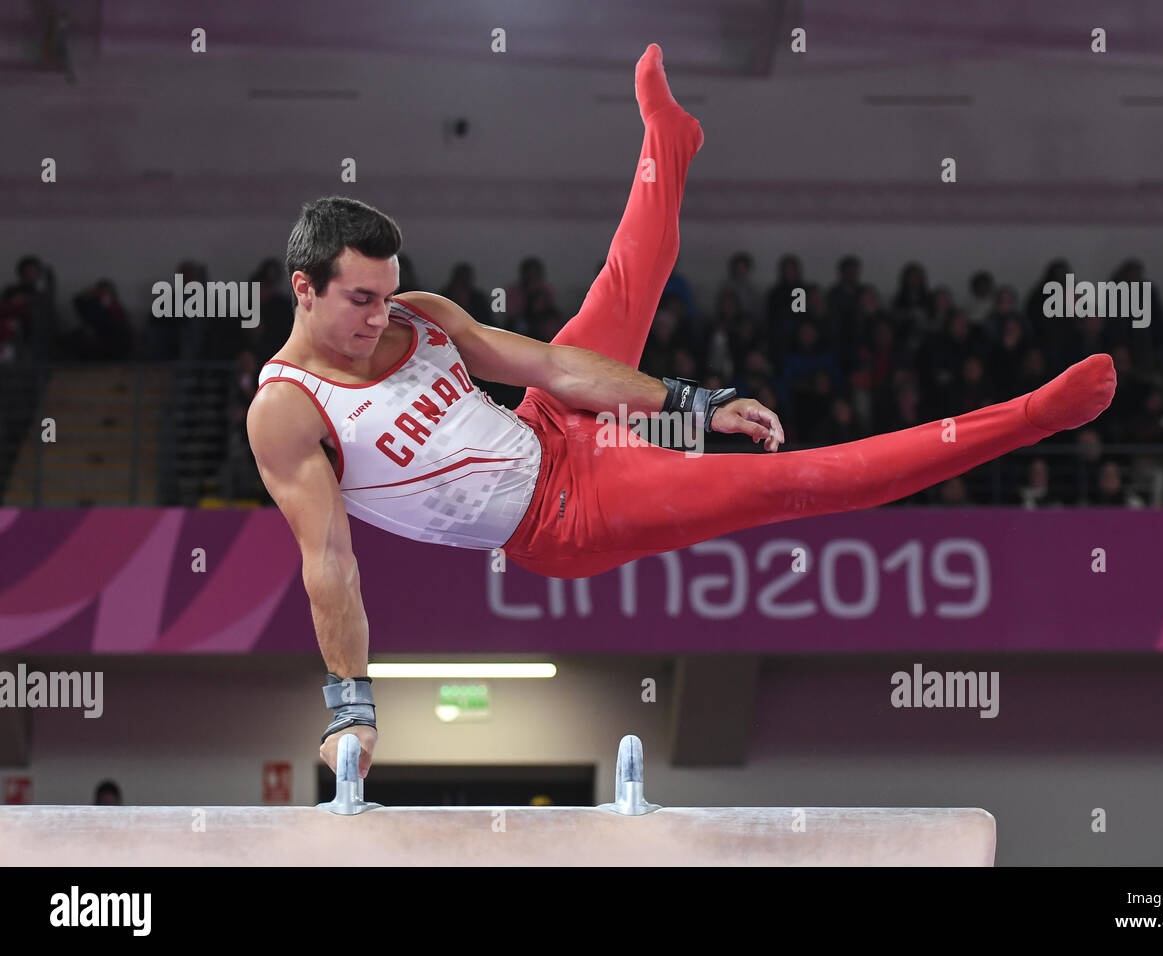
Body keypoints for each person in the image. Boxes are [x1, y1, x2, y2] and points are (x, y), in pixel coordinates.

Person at [246, 45, 1116, 778]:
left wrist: (697, 402)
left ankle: (672, 139)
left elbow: (547, 363)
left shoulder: (420, 316)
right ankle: (1032, 417)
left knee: (624, 284)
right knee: (790, 484)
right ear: (303, 288)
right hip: (563, 518)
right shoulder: (287, 412)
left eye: (387, 294)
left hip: (548, 424)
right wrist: (349, 709)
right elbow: (330, 564)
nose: (378, 316)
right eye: (360, 300)